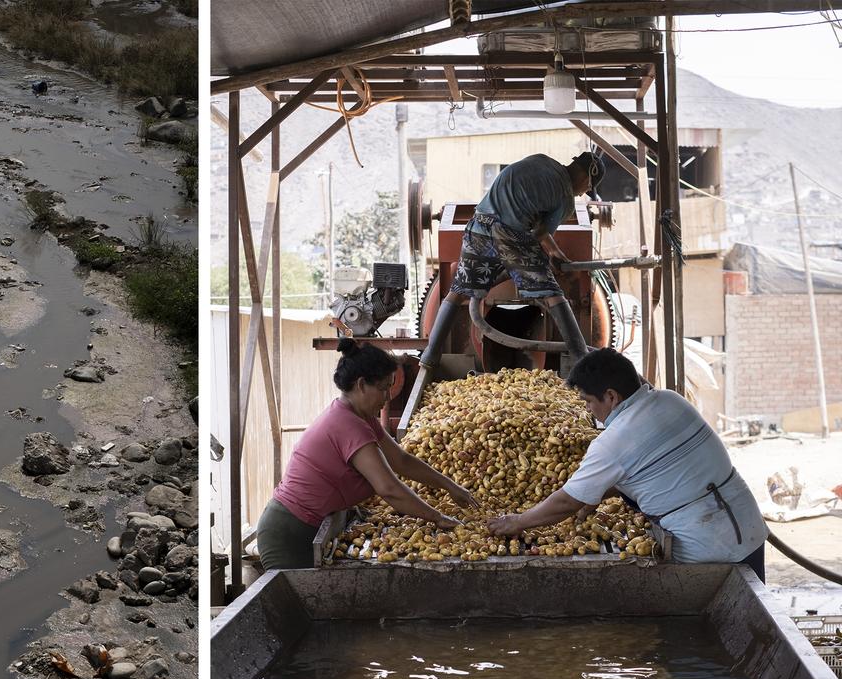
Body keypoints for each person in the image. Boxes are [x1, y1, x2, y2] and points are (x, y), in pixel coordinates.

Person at [489, 347, 767, 576]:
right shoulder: (671, 400)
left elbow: (566, 503)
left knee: (693, 626)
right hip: (747, 525)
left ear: (611, 396)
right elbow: (658, 469)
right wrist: (595, 492)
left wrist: (519, 521)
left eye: (588, 402)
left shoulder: (613, 441)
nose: (588, 410)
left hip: (707, 547)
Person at [258, 339, 481, 569]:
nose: (387, 398)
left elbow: (401, 461)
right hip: (290, 532)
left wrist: (452, 487)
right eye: (384, 388)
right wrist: (437, 517)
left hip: (312, 526)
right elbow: (388, 489)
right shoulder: (347, 425)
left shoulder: (361, 417)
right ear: (362, 384)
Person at [419, 151, 605, 378]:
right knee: (551, 293)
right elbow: (540, 232)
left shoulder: (541, 159)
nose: (582, 193)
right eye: (586, 191)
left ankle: (429, 356)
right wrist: (533, 261)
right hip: (510, 234)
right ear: (587, 179)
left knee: (457, 291)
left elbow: (526, 212)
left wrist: (554, 249)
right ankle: (581, 359)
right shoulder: (565, 197)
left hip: (479, 225)